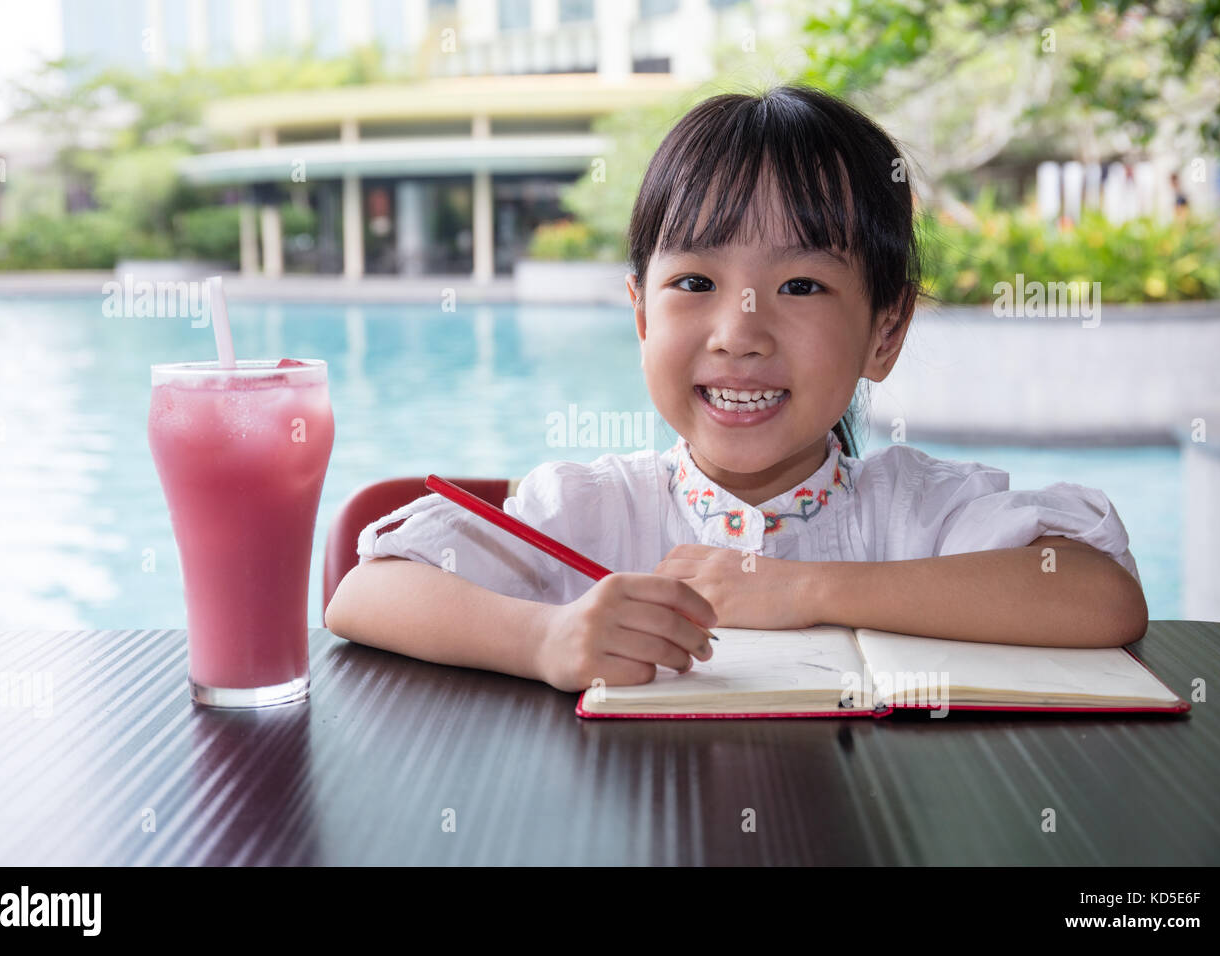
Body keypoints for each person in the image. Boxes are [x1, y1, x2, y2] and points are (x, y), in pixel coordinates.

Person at [326, 84, 1148, 693]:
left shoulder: (916, 510)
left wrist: (799, 589)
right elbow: (368, 592)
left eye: (800, 287)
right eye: (693, 281)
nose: (738, 332)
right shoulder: (594, 508)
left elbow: (1097, 594)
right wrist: (547, 639)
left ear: (885, 332)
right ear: (640, 314)